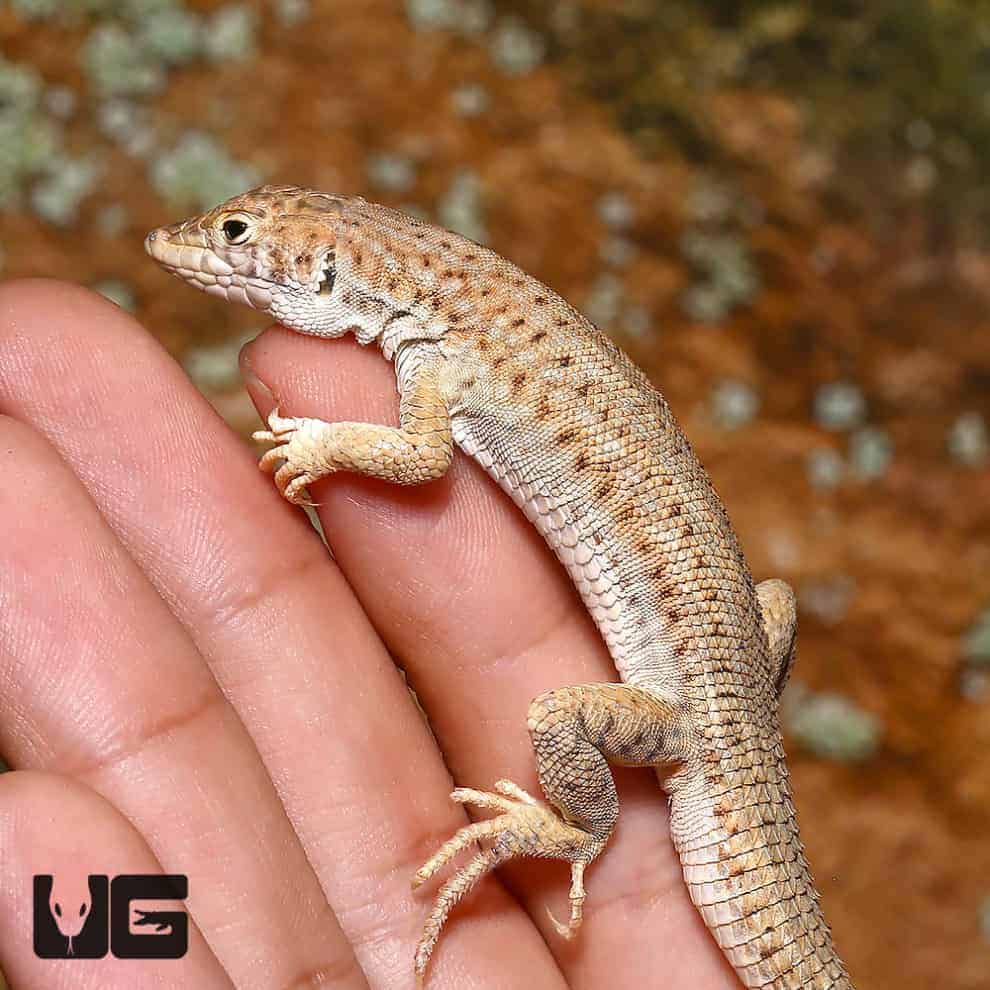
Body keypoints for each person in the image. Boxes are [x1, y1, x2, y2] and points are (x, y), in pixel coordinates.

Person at [0, 279, 738, 988]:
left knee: (559, 718)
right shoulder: (444, 334)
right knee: (762, 605)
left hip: (694, 725)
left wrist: (323, 449)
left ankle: (581, 830)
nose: (194, 251)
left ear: (323, 270)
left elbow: (423, 456)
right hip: (722, 684)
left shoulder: (436, 350)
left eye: (235, 240)